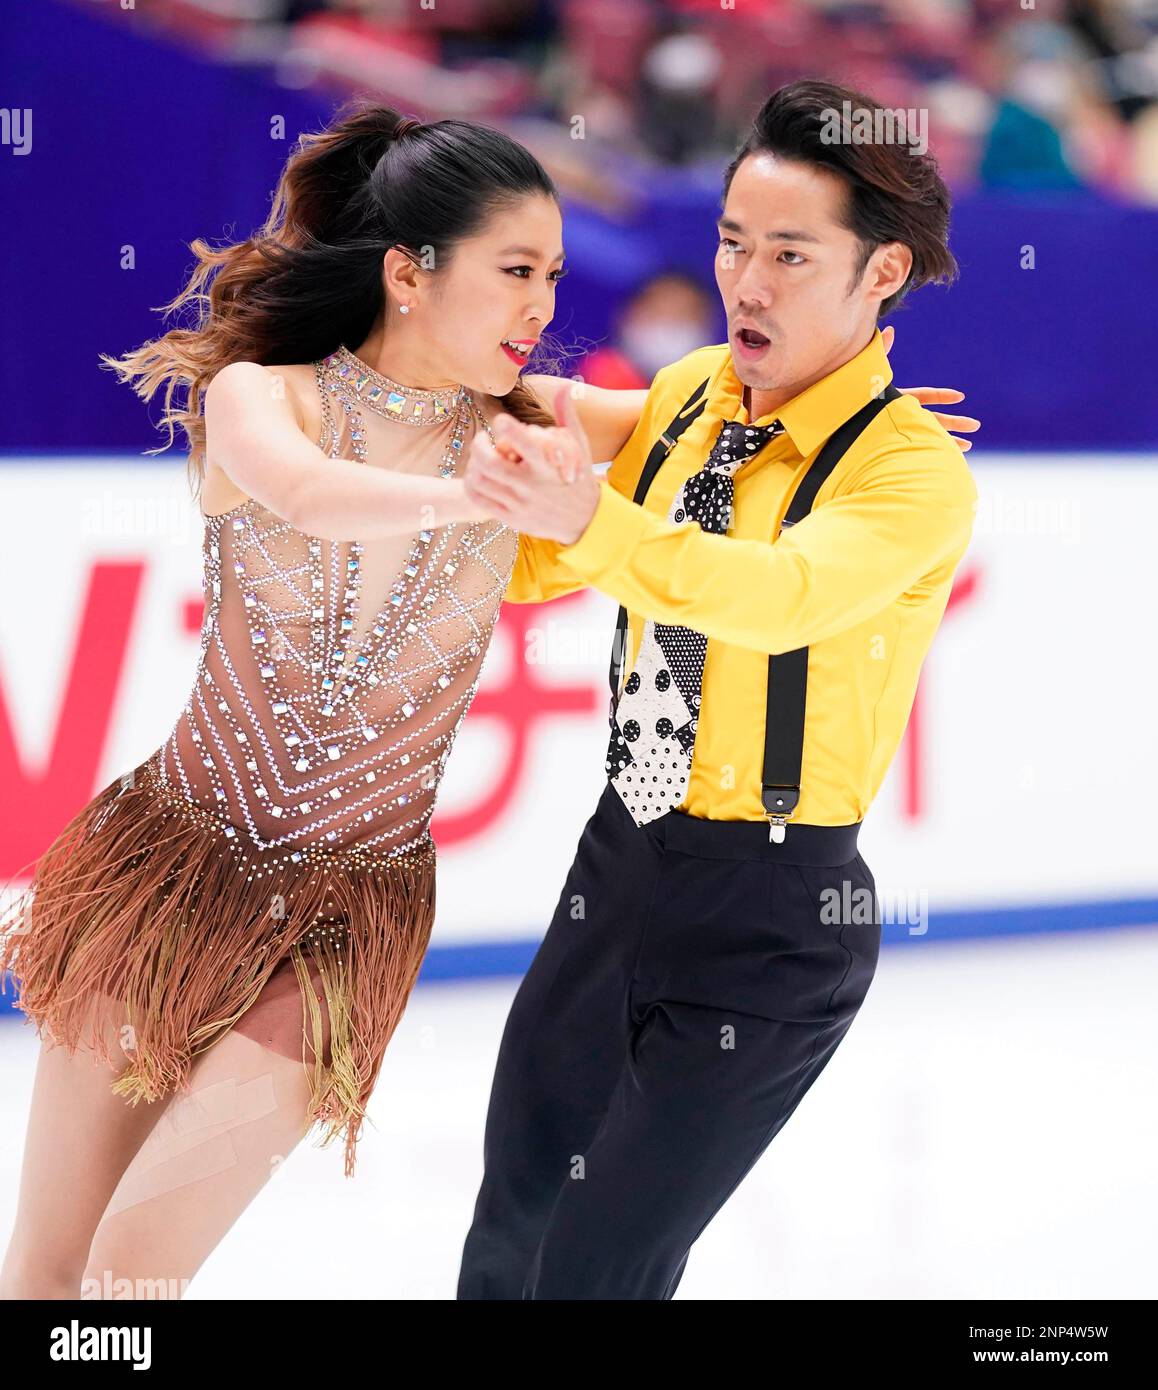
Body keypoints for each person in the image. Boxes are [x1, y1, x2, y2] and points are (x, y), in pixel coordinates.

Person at [0, 96, 974, 1302]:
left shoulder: (849, 464)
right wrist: (499, 497)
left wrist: (867, 411)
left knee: (152, 1275)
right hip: (228, 866)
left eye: (555, 275)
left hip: (507, 912)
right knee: (64, 1280)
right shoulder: (295, 398)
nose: (545, 310)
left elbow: (749, 519)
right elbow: (350, 489)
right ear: (410, 273)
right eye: (517, 269)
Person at [456, 79, 980, 1300]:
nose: (746, 281)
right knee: (512, 1230)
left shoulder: (912, 478)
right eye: (733, 242)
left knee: (595, 1267)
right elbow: (558, 466)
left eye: (790, 254)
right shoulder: (693, 394)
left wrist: (585, 513)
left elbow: (773, 594)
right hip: (618, 863)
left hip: (771, 920)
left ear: (883, 270)